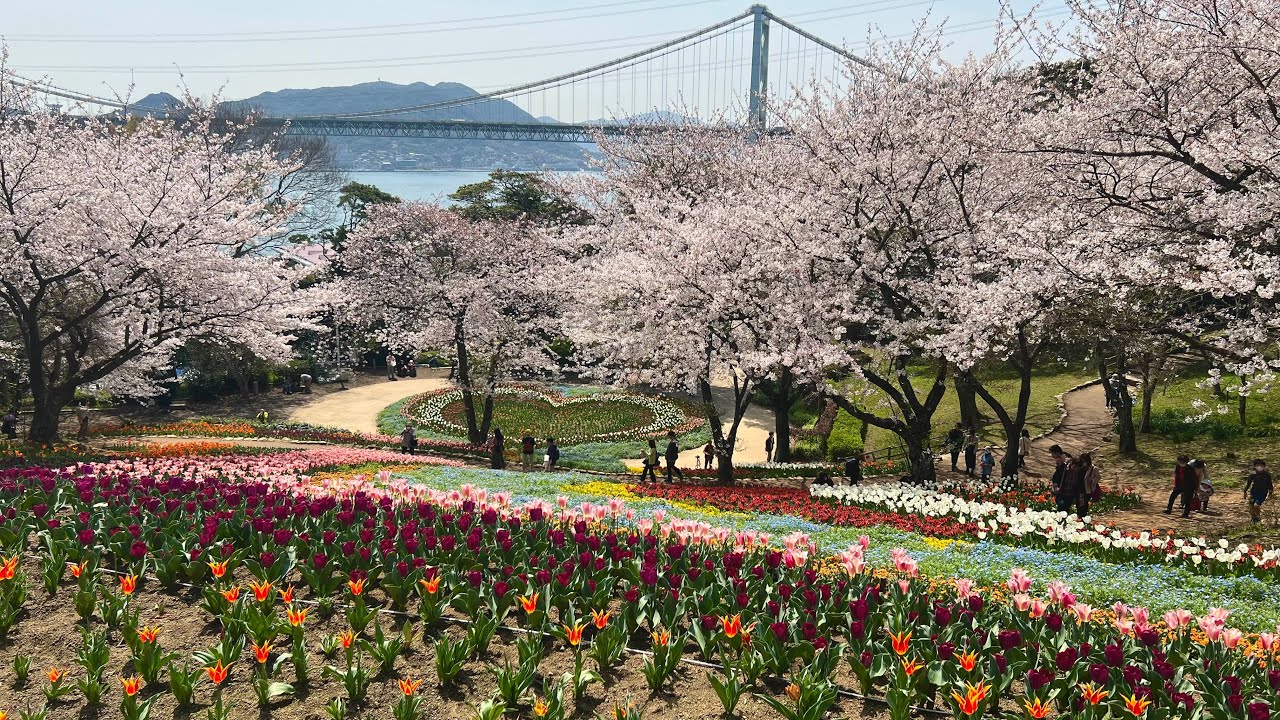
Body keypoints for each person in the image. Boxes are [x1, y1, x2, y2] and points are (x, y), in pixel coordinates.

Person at [1244, 459, 1272, 525]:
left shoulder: (1267, 475)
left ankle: (1258, 517)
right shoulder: (1252, 475)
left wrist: (1270, 493)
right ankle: (1253, 518)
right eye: (1257, 465)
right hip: (1253, 492)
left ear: (1264, 466)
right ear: (1254, 466)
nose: (1259, 467)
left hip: (1262, 493)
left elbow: (1270, 484)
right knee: (1251, 506)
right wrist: (1245, 491)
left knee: (1256, 505)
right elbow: (1248, 483)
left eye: (1261, 465)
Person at [1078, 452, 1100, 518]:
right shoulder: (1080, 468)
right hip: (1080, 487)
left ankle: (1084, 516)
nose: (1083, 462)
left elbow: (1098, 477)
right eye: (1082, 461)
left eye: (1084, 461)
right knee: (1080, 503)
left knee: (1084, 503)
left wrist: (1092, 480)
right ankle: (1081, 516)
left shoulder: (1094, 468)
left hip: (1088, 488)